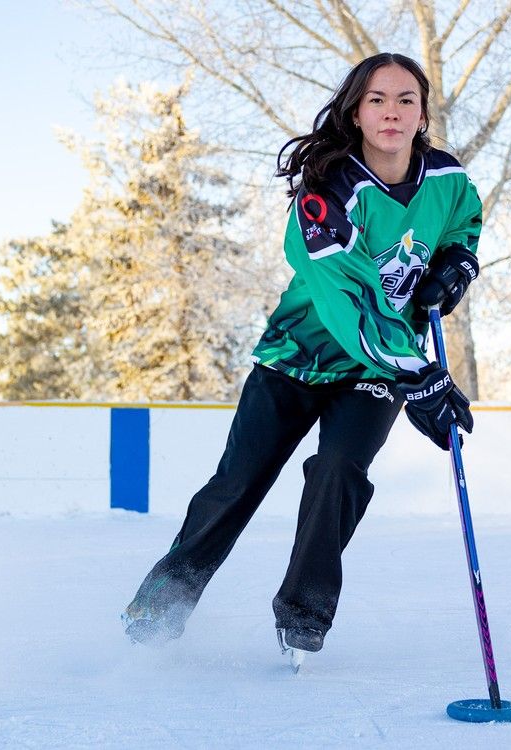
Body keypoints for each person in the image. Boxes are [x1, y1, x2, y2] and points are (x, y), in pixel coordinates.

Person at [123, 52, 483, 658]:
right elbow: (346, 293)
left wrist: (455, 267)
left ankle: (303, 616)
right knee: (236, 486)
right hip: (297, 358)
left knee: (339, 473)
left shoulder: (449, 181)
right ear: (356, 111)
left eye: (405, 100)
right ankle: (156, 611)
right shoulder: (326, 190)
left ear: (423, 113)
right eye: (376, 100)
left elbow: (461, 227)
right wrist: (419, 374)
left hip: (374, 370)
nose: (391, 112)